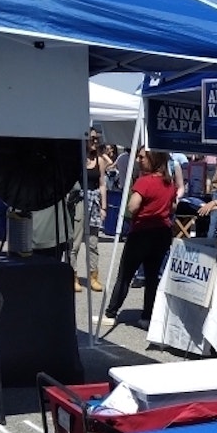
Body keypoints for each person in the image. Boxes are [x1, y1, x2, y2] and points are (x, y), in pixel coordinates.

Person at [99, 149, 176, 328]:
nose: (138, 160)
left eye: (142, 157)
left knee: (125, 274)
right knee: (152, 276)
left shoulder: (144, 182)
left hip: (142, 232)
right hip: (162, 233)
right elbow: (172, 207)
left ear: (153, 159)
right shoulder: (168, 183)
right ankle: (147, 316)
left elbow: (132, 206)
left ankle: (111, 312)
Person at [70, 128, 109, 292]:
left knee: (93, 243)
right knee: (75, 244)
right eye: (92, 139)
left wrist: (104, 207)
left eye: (96, 139)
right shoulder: (77, 159)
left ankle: (93, 277)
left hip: (93, 202)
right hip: (79, 202)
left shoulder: (99, 160)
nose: (95, 142)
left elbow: (102, 184)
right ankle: (73, 276)